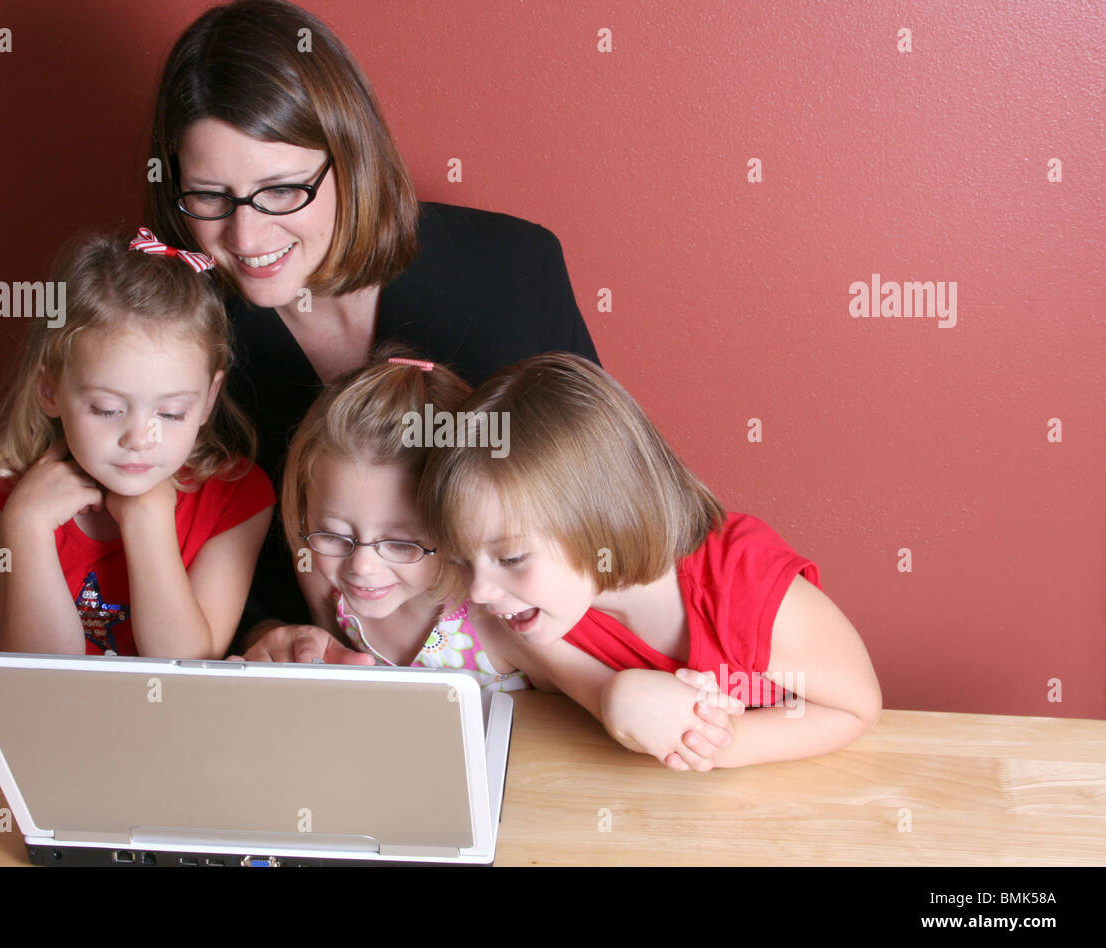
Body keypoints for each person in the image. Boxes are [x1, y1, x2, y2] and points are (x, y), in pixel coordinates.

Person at [144, 0, 600, 658]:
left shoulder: (513, 270)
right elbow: (210, 562)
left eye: (282, 191)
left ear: (349, 158)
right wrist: (271, 637)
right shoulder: (178, 339)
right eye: (210, 196)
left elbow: (606, 515)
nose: (246, 237)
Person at [418, 353, 882, 770]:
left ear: (603, 511)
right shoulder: (539, 615)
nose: (478, 592)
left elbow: (857, 708)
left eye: (512, 557)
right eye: (462, 560)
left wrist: (723, 741)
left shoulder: (748, 590)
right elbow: (611, 703)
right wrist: (618, 699)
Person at [0, 229, 275, 658]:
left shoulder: (239, 498)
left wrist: (148, 525)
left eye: (170, 413)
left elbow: (186, 673)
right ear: (50, 389)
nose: (138, 438)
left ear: (208, 400)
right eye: (108, 409)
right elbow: (41, 681)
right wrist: (27, 528)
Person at [269, 351, 532, 688]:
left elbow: (595, 709)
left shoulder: (499, 618)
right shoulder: (323, 577)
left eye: (401, 544)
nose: (361, 567)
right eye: (334, 536)